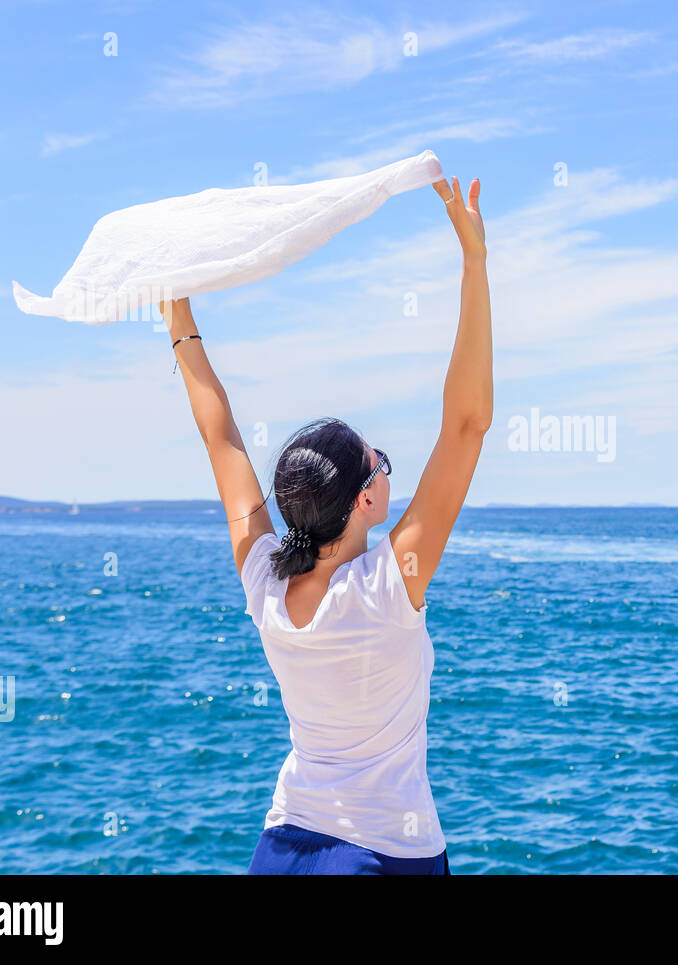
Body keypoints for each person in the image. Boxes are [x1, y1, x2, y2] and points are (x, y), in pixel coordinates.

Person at [160, 175, 491, 874]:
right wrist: (474, 260)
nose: (388, 470)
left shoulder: (266, 580)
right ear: (365, 502)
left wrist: (178, 317)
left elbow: (221, 440)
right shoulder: (388, 587)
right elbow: (466, 425)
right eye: (381, 463)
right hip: (383, 853)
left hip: (282, 846)